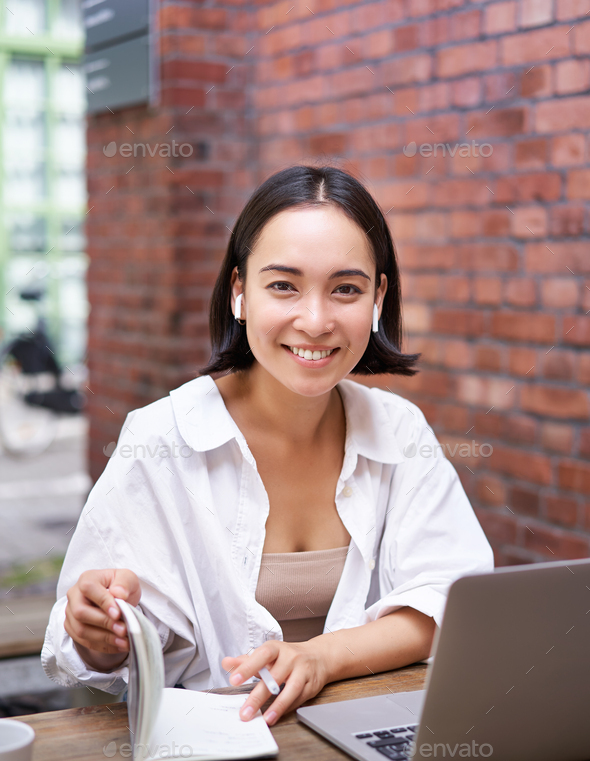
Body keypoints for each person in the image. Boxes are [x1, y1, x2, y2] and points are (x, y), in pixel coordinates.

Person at [42, 164, 494, 730]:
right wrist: (102, 632)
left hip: (366, 738)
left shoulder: (399, 431)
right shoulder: (161, 440)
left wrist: (322, 657)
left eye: (346, 289)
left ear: (378, 297)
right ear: (240, 291)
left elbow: (449, 602)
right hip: (213, 752)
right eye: (283, 285)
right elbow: (96, 657)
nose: (316, 321)